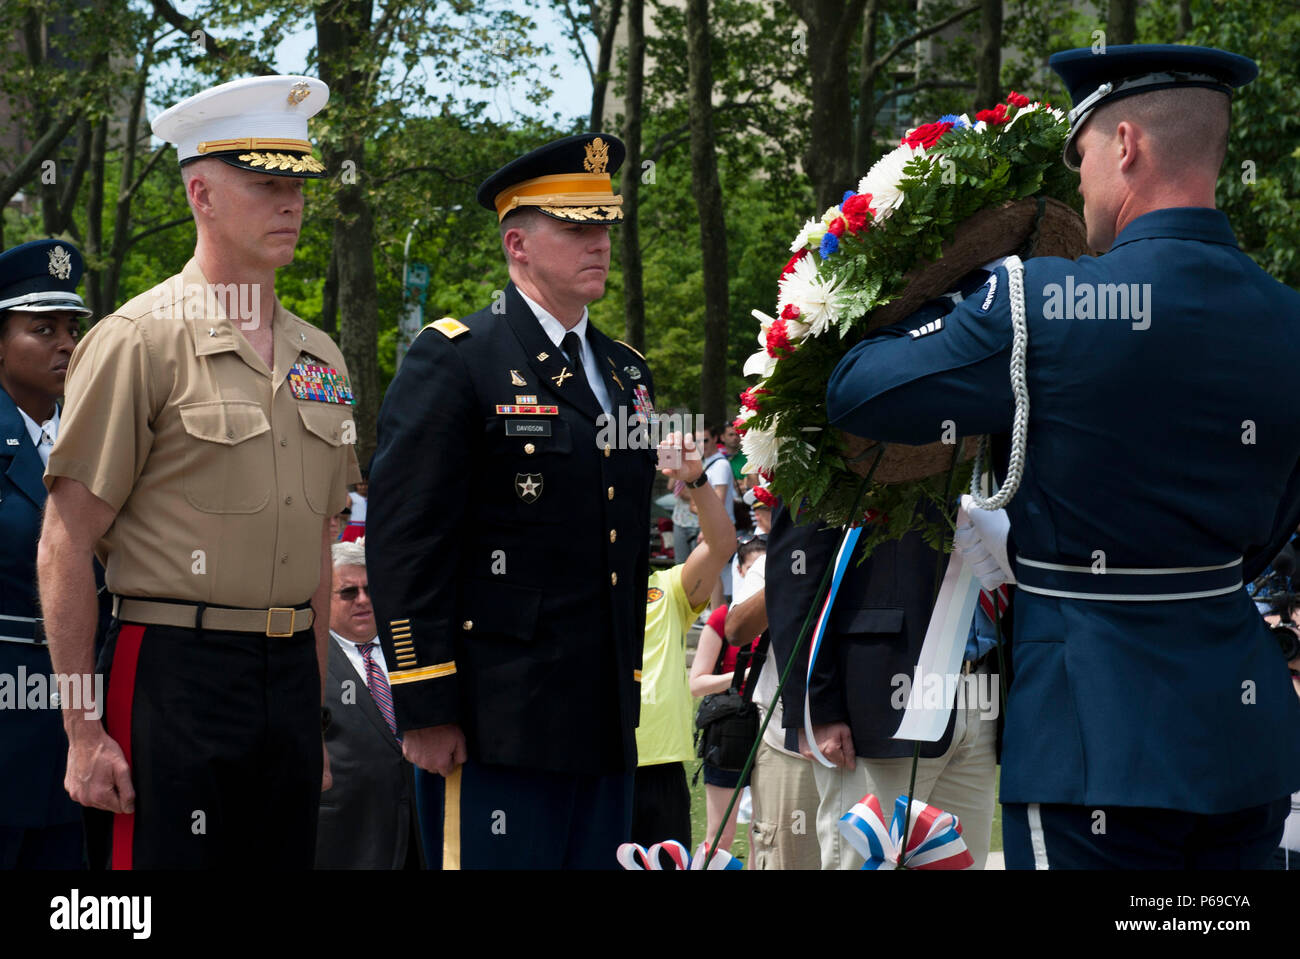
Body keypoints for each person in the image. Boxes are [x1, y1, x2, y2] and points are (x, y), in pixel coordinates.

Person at [826, 44, 1300, 868]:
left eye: (1081, 157)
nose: (1080, 183)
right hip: (1243, 738)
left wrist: (947, 281)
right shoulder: (1289, 320)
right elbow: (1273, 528)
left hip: (1094, 740)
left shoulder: (1039, 302)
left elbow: (858, 392)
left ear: (1125, 145)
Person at [38, 75, 360, 869]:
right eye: (267, 184)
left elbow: (319, 545)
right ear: (201, 195)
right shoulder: (136, 340)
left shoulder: (322, 357)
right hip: (172, 672)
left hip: (287, 679)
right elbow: (65, 541)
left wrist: (311, 716)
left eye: (299, 184)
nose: (292, 202)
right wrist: (82, 730)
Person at [367, 133, 658, 869]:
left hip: (601, 717)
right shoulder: (460, 356)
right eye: (576, 227)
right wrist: (425, 701)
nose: (599, 242)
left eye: (605, 226)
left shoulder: (623, 370)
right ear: (518, 243)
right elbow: (406, 541)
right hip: (497, 718)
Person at [764, 504, 1001, 870]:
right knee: (866, 861)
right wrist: (816, 707)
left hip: (980, 688)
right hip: (878, 696)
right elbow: (795, 574)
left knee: (963, 863)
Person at [0, 240, 93, 869]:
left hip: (90, 721)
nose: (66, 343)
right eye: (43, 329)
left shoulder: (100, 440)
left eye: (71, 327)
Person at [632, 432, 734, 853]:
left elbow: (721, 545)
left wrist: (696, 480)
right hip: (587, 761)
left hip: (660, 766)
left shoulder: (664, 587)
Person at [316, 539, 422, 869]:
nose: (362, 600)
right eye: (348, 592)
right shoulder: (310, 662)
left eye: (369, 589)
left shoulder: (413, 651)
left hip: (420, 835)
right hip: (348, 839)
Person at [688, 536, 766, 854]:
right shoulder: (722, 618)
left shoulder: (786, 616)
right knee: (720, 836)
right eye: (753, 569)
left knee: (764, 835)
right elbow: (696, 683)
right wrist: (743, 676)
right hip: (730, 730)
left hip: (774, 729)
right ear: (740, 570)